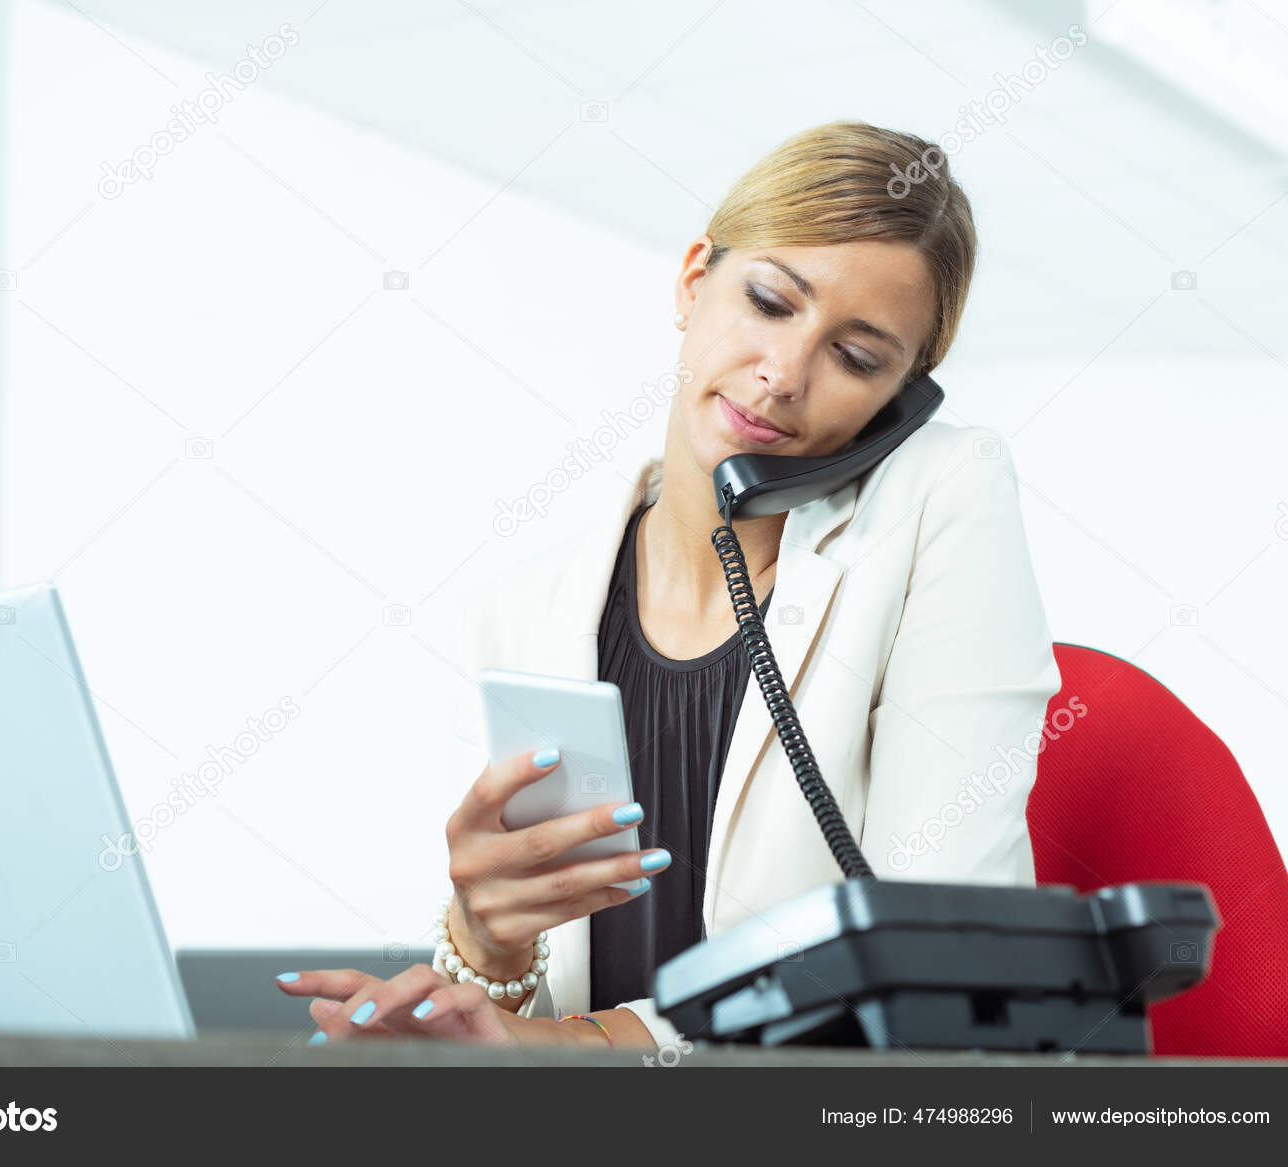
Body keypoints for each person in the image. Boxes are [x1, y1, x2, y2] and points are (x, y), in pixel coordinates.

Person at [276, 120, 1061, 1050]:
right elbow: (522, 1021)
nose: (782, 375)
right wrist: (482, 949)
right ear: (695, 281)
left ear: (898, 406)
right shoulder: (523, 612)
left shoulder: (943, 498)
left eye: (856, 358)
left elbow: (940, 952)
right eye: (770, 301)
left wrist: (600, 1045)